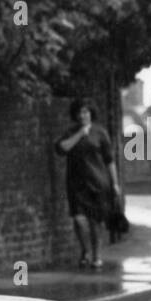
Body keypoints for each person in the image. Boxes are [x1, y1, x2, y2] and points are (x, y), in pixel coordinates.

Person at [55, 98, 120, 270]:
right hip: (76, 184)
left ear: (91, 113)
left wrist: (115, 183)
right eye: (79, 112)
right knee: (79, 221)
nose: (82, 115)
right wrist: (80, 134)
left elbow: (109, 160)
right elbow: (62, 149)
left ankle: (97, 256)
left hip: (98, 183)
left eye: (85, 112)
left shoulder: (100, 133)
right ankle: (85, 250)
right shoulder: (71, 132)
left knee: (95, 222)